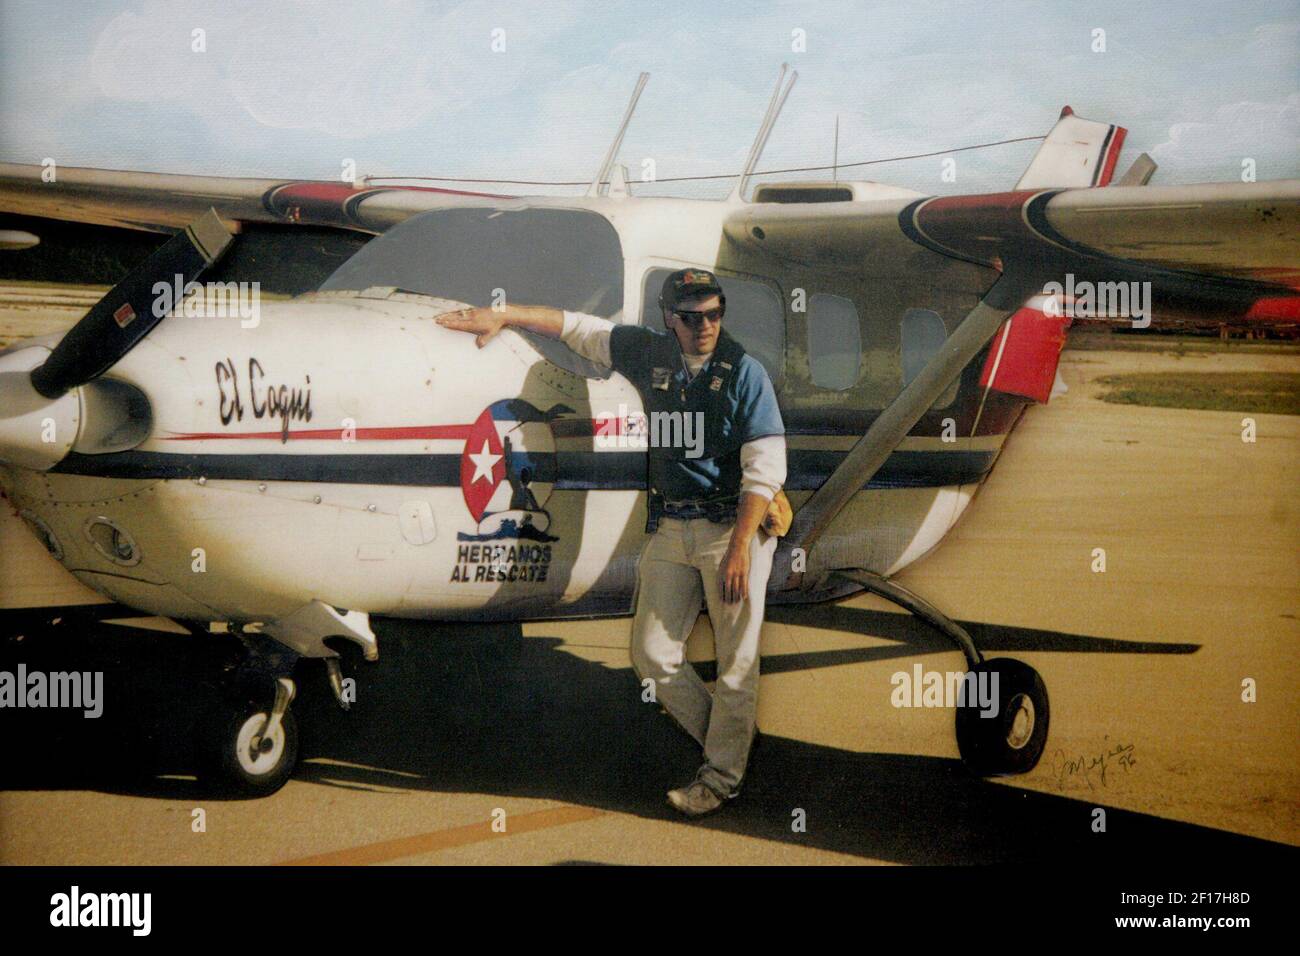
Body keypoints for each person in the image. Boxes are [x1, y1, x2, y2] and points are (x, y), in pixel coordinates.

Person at [437, 268, 787, 818]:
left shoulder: (745, 373)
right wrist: (504, 313)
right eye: (692, 317)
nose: (705, 326)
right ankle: (733, 743)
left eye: (715, 314)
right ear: (670, 319)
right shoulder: (650, 354)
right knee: (651, 654)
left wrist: (742, 546)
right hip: (672, 526)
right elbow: (576, 328)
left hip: (731, 529)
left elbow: (764, 470)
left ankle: (721, 778)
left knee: (737, 662)